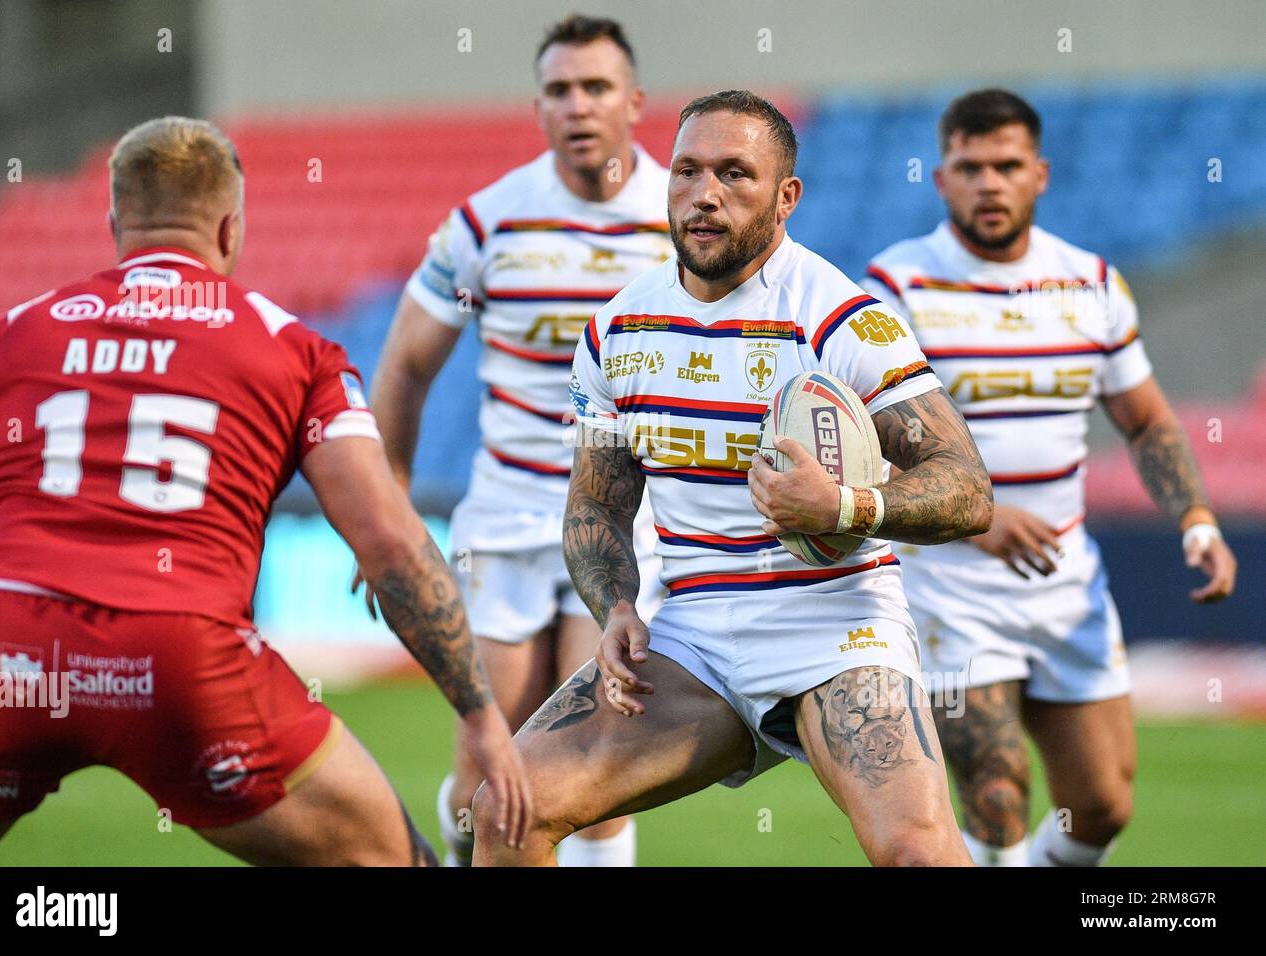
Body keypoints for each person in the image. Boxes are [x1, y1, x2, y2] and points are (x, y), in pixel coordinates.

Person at [0, 116, 529, 866]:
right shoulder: (293, 350)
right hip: (181, 656)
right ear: (231, 227)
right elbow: (390, 543)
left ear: (113, 224)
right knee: (391, 860)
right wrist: (480, 713)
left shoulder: (13, 332)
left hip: (7, 646)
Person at [472, 90, 994, 867]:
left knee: (917, 853)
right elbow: (595, 506)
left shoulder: (843, 321)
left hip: (836, 630)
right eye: (687, 170)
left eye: (734, 174)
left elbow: (968, 488)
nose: (704, 194)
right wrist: (613, 604)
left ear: (787, 197)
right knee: (504, 811)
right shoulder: (618, 329)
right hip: (696, 638)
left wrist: (846, 504)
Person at [860, 88, 1238, 866]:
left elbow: (1147, 421)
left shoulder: (1090, 284)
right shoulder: (894, 288)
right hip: (947, 584)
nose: (988, 184)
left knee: (1100, 806)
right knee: (996, 790)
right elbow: (864, 436)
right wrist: (974, 515)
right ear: (941, 180)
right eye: (970, 167)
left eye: (1006, 166)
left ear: (1041, 174)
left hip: (1066, 580)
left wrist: (1197, 520)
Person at [360, 15, 667, 866]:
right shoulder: (487, 225)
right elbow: (404, 369)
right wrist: (382, 514)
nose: (579, 106)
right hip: (504, 519)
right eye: (560, 90)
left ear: (634, 102)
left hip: (622, 524)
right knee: (490, 780)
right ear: (538, 108)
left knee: (595, 759)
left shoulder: (684, 222)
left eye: (597, 87)